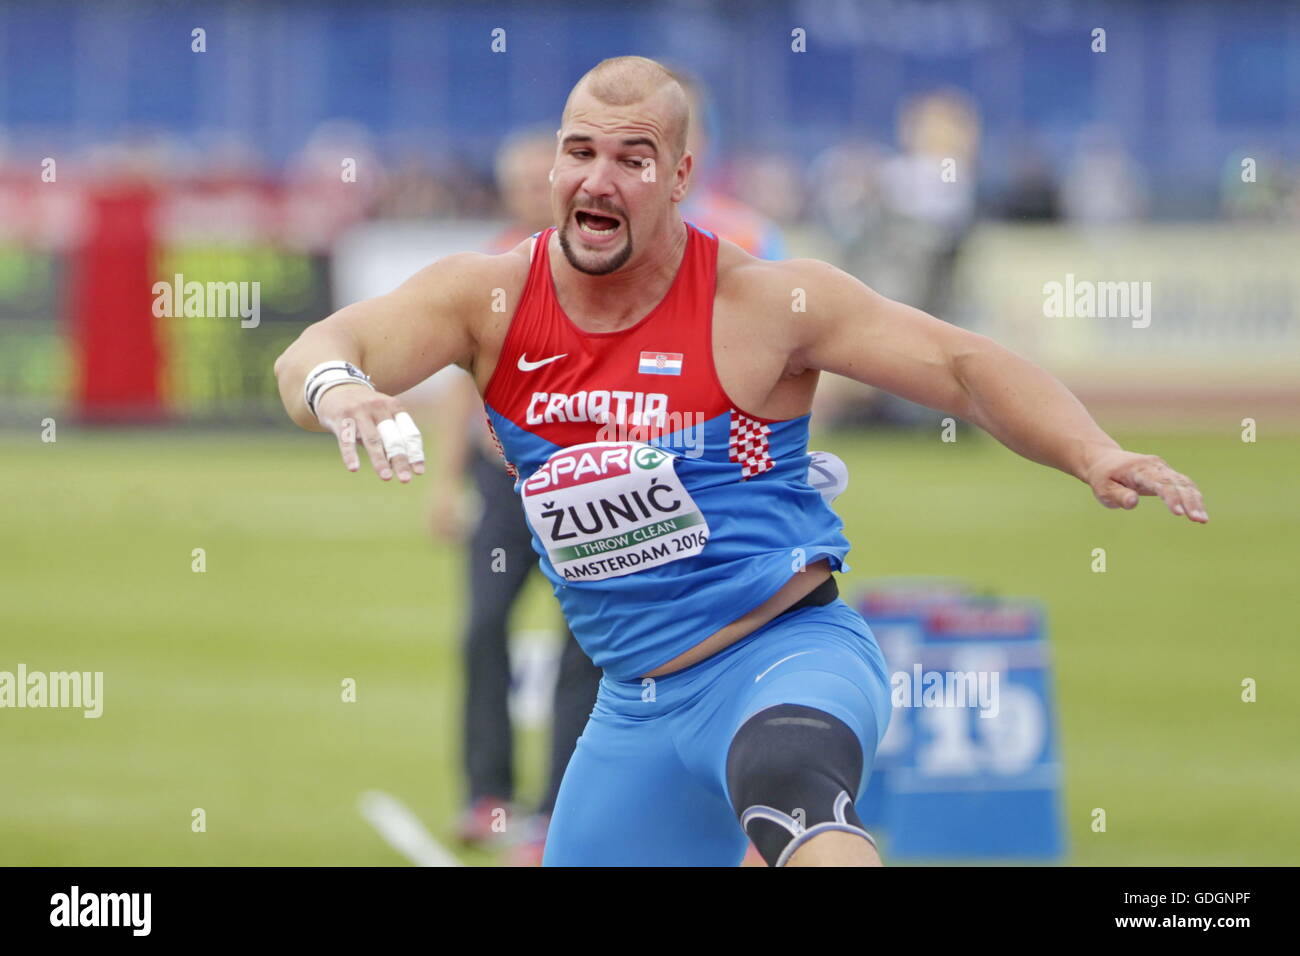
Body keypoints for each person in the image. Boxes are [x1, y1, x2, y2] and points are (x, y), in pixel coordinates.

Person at [274, 56, 1208, 867]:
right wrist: (341, 388)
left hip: (783, 657)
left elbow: (964, 367)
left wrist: (1093, 451)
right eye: (580, 152)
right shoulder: (488, 298)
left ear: (680, 175)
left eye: (632, 159)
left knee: (791, 788)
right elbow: (318, 345)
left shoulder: (763, 304)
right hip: (632, 707)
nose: (598, 180)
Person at [424, 129, 601, 863]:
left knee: (583, 646)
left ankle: (556, 810)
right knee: (482, 626)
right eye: (523, 180)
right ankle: (486, 795)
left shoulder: (602, 269)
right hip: (500, 486)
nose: (536, 191)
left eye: (544, 177)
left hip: (580, 486)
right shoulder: (491, 269)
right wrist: (443, 480)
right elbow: (459, 385)